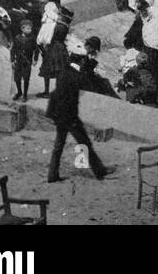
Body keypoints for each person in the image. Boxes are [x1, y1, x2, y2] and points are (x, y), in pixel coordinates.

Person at [46, 37, 113, 183]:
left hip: (57, 111)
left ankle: (52, 175)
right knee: (84, 142)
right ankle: (99, 171)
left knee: (59, 144)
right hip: (68, 114)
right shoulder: (75, 75)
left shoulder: (65, 70)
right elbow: (87, 84)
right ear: (81, 60)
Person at [10, 17, 38, 101]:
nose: (30, 30)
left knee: (26, 78)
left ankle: (25, 94)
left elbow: (36, 49)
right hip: (18, 61)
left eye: (30, 28)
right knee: (17, 78)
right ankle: (19, 92)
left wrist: (35, 59)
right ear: (22, 29)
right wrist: (12, 60)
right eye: (27, 28)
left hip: (27, 61)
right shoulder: (17, 38)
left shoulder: (32, 38)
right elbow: (13, 50)